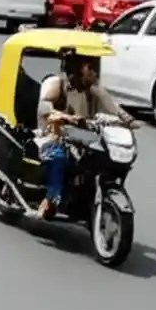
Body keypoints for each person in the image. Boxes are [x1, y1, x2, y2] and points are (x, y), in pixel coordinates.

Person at [35, 54, 137, 219]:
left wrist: (128, 120)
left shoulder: (92, 88)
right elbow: (43, 107)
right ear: (77, 68)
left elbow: (112, 106)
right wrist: (64, 117)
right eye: (90, 68)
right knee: (59, 158)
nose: (95, 73)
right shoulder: (57, 84)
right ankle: (50, 199)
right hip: (52, 136)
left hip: (82, 138)